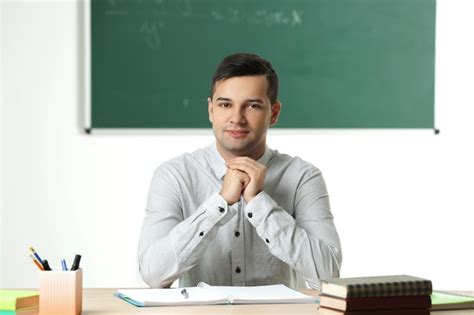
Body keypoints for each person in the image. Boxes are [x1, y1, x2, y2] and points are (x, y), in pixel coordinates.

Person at [138, 53, 342, 289]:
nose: (237, 118)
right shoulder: (174, 175)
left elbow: (328, 275)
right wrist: (219, 203)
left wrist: (259, 203)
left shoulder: (302, 177)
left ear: (274, 113)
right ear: (211, 110)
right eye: (225, 104)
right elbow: (153, 274)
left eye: (253, 106)